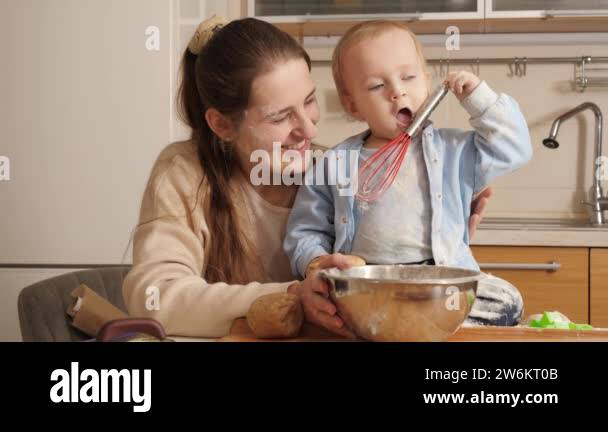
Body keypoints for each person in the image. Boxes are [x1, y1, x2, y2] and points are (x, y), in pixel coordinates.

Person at [122, 16, 494, 338]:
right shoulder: (185, 172)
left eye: (310, 101)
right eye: (281, 117)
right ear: (222, 124)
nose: (308, 130)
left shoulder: (331, 170)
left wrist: (432, 232)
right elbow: (156, 297)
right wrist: (292, 294)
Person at [284, 20, 533, 326]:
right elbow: (305, 232)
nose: (397, 92)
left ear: (427, 83)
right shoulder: (334, 162)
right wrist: (317, 263)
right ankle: (416, 325)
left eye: (409, 77)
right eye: (377, 85)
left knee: (508, 301)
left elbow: (514, 148)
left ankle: (406, 324)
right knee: (338, 309)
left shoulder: (455, 152)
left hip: (442, 284)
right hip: (369, 286)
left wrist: (479, 99)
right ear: (352, 105)